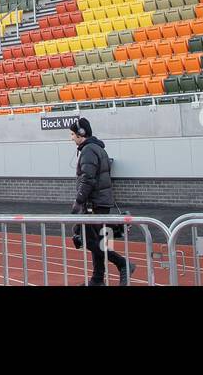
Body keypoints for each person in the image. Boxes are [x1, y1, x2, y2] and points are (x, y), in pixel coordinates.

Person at [69, 118, 129, 287]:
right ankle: (97, 280)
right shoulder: (97, 149)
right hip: (101, 202)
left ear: (81, 134)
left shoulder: (88, 150)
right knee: (99, 240)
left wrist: (78, 201)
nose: (71, 138)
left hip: (93, 204)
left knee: (89, 241)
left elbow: (87, 179)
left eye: (73, 134)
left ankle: (122, 263)